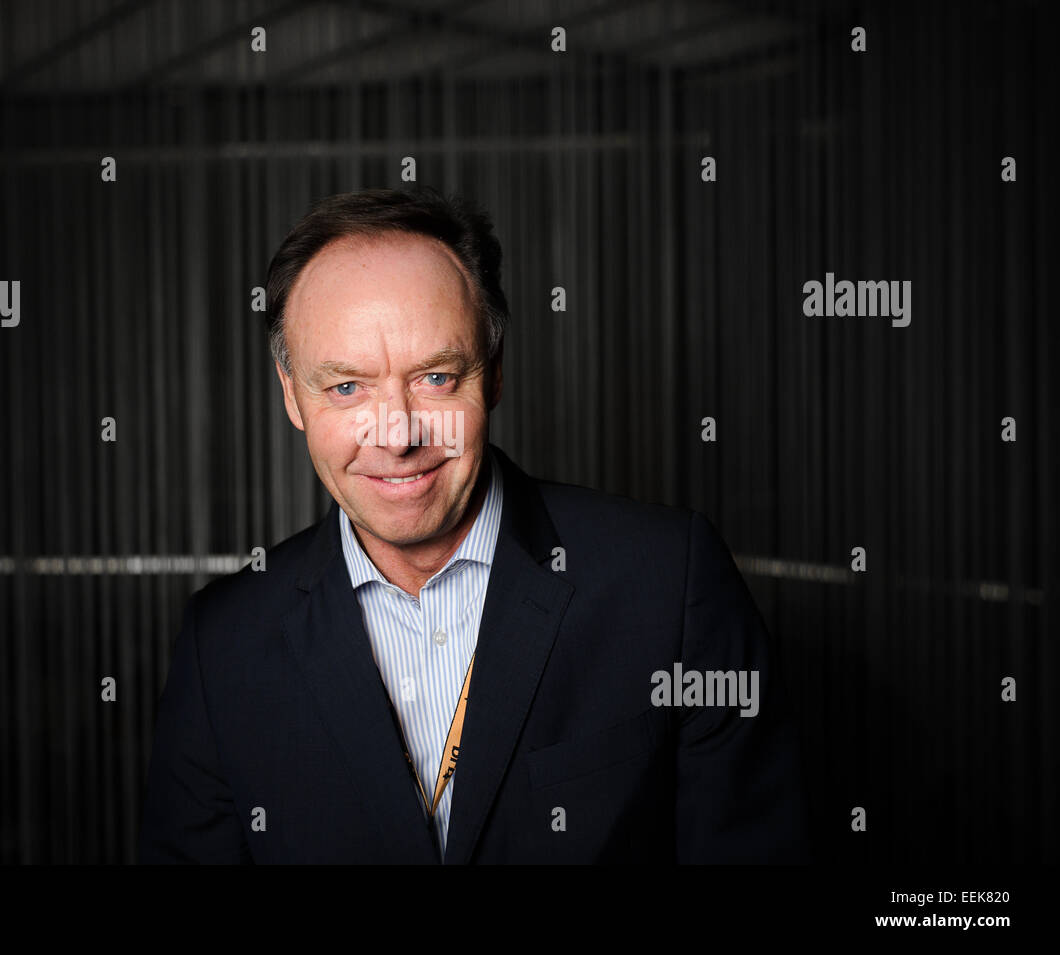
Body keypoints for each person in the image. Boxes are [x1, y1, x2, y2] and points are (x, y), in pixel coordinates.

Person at [139, 186, 809, 863]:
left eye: (435, 376)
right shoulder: (221, 647)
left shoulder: (669, 583)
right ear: (292, 395)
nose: (396, 434)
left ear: (492, 373)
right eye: (347, 387)